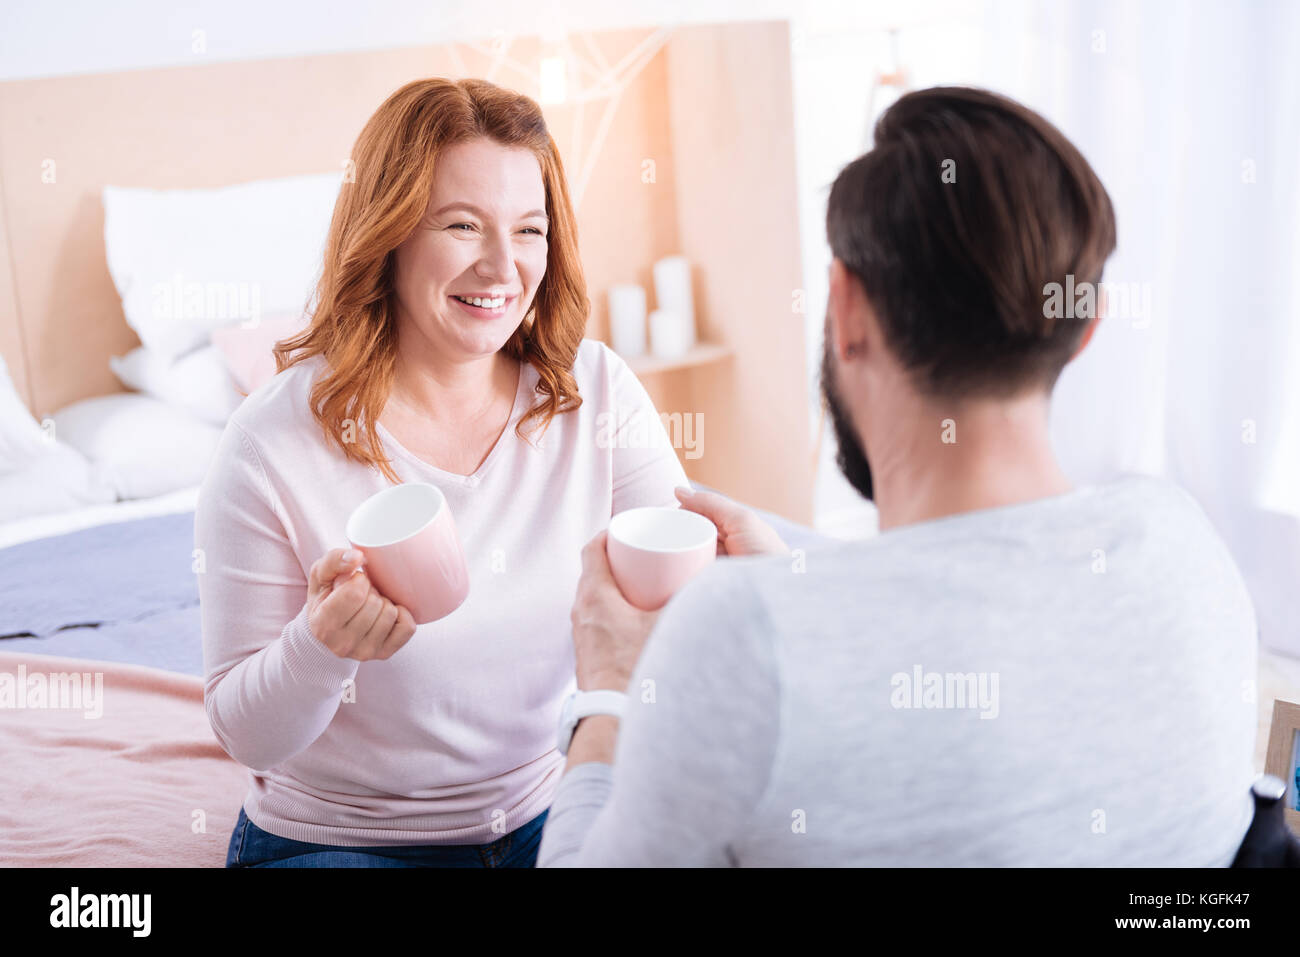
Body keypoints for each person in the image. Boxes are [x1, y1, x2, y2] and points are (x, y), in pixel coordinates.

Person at [537, 86, 1259, 866]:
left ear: (846, 311)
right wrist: (800, 589)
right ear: (1084, 329)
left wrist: (608, 692)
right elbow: (974, 610)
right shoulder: (1185, 547)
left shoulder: (738, 642)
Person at [196, 77, 688, 867]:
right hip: (341, 842)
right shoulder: (270, 441)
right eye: (462, 224)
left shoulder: (593, 393)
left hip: (544, 812)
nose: (503, 266)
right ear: (386, 233)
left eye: (529, 230)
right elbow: (243, 732)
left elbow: (684, 603)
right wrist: (321, 647)